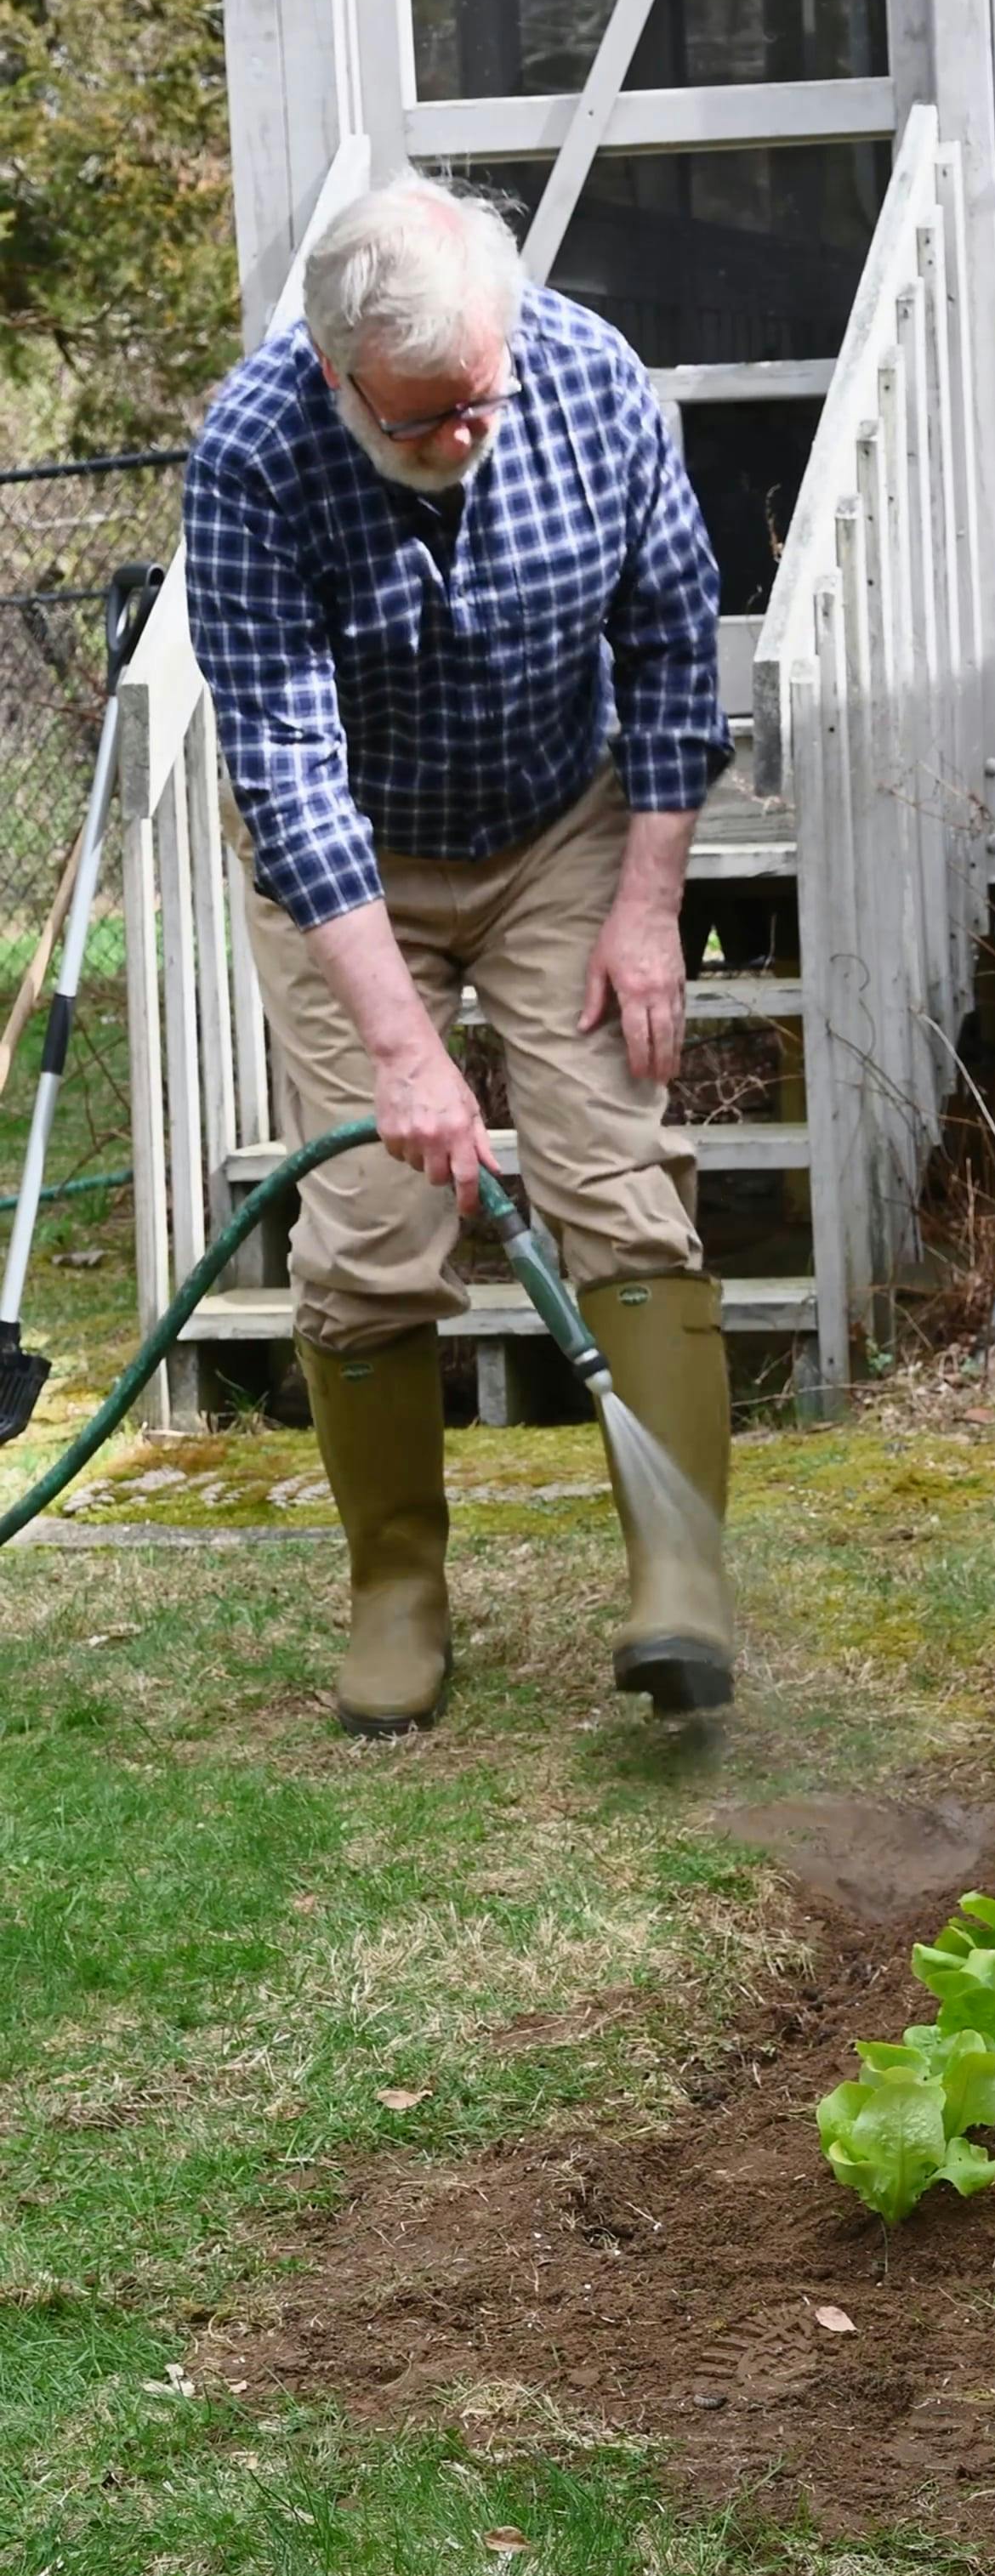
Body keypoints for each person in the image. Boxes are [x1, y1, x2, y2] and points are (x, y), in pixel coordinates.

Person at [183, 175, 735, 1738]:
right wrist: (407, 1053)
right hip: (350, 862)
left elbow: (672, 639)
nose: (461, 438)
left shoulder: (588, 377)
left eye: (476, 401)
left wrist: (647, 904)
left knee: (617, 1177)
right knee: (368, 1225)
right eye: (420, 422)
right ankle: (398, 1598)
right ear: (339, 367)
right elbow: (285, 771)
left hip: (564, 823)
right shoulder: (253, 455)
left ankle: (682, 1583)